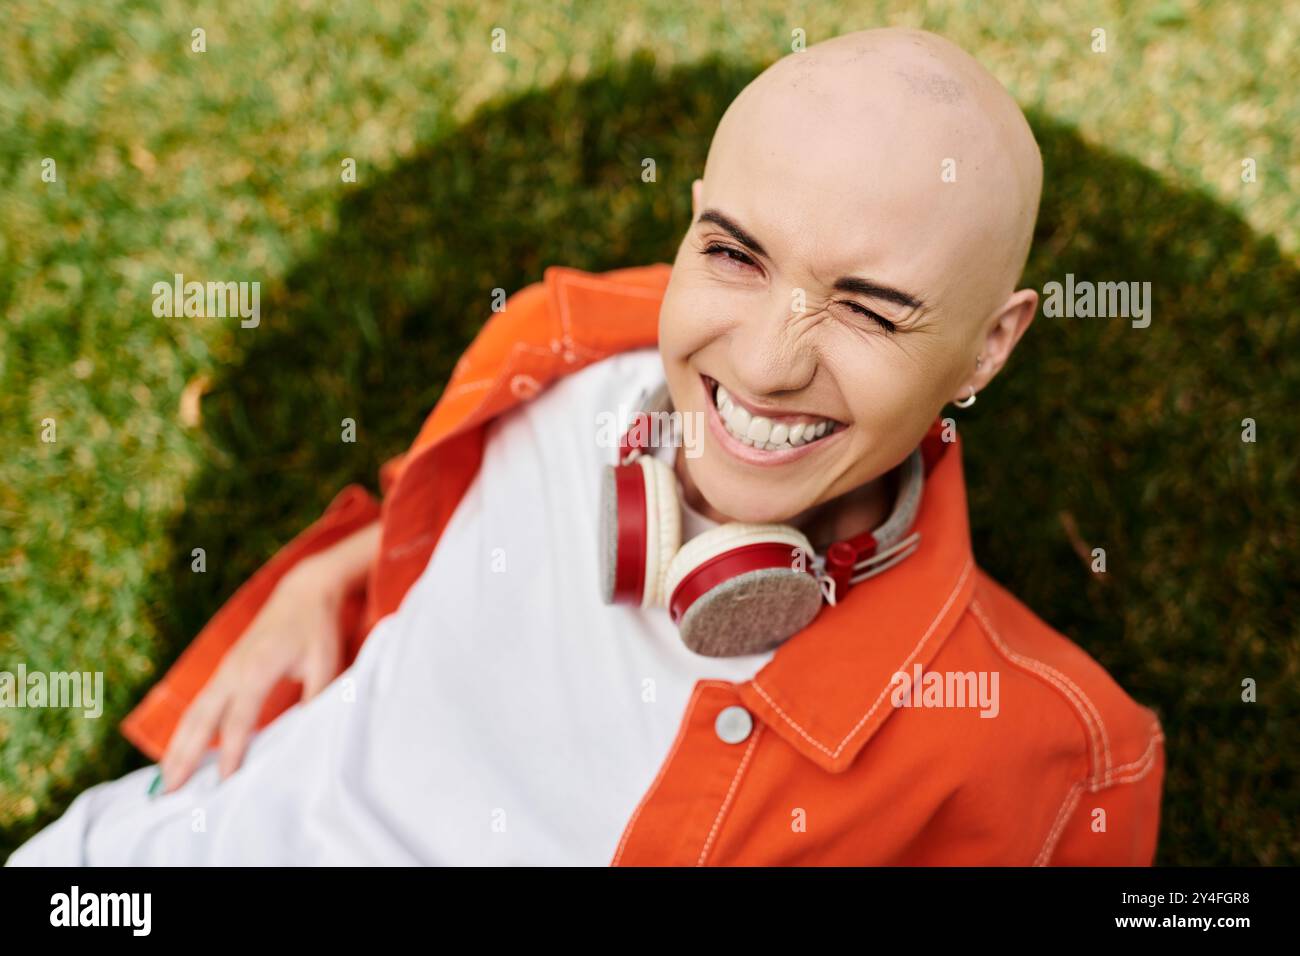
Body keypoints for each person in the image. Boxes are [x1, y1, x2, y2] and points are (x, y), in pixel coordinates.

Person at [7, 27, 1164, 866]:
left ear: (987, 350)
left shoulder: (1039, 749)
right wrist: (332, 574)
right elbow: (439, 510)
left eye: (866, 308)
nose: (761, 365)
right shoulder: (555, 348)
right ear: (694, 219)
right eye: (734, 255)